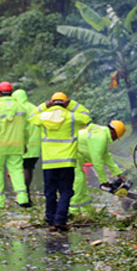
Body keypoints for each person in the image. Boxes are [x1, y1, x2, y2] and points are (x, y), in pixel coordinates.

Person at [28, 93, 91, 232]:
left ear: (52, 102)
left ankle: (51, 222)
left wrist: (44, 105)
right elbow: (87, 115)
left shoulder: (43, 118)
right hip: (67, 162)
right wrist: (72, 104)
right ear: (65, 103)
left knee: (50, 192)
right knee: (66, 191)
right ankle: (60, 220)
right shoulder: (72, 117)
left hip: (49, 162)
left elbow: (31, 116)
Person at [0, 81, 30, 209]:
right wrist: (25, 143)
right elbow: (25, 129)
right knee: (17, 171)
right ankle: (22, 199)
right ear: (11, 92)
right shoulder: (20, 106)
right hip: (16, 145)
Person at [70, 120, 127, 216]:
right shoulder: (100, 138)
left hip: (76, 157)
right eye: (116, 137)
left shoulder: (102, 134)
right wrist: (104, 181)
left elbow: (106, 157)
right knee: (78, 183)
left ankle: (86, 212)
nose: (115, 139)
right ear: (113, 132)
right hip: (71, 156)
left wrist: (118, 174)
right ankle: (72, 213)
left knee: (82, 184)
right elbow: (97, 161)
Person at [12, 89, 41, 201]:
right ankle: (26, 192)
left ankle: (23, 194)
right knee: (29, 168)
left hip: (22, 144)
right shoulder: (34, 108)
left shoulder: (16, 109)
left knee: (22, 169)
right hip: (35, 145)